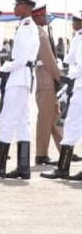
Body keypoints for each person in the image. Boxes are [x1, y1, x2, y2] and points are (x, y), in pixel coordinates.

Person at [0, 0, 40, 179]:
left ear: (27, 7)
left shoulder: (27, 27)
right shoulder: (25, 25)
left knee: (7, 119)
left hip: (19, 77)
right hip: (21, 78)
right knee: (21, 122)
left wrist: (2, 70)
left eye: (18, 5)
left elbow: (20, 59)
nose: (15, 7)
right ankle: (23, 168)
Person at [43, 10, 82, 180]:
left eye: (77, 20)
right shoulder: (77, 38)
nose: (73, 23)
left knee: (72, 124)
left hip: (80, 86)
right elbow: (70, 60)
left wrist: (66, 77)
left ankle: (63, 168)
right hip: (77, 85)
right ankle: (63, 168)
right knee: (72, 124)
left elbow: (78, 67)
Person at [31, 4, 63, 166]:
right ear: (37, 17)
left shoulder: (40, 31)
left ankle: (64, 149)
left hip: (46, 76)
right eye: (43, 16)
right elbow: (49, 59)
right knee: (45, 118)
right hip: (47, 77)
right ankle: (41, 154)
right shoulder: (39, 33)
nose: (46, 18)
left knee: (53, 116)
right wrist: (60, 78)